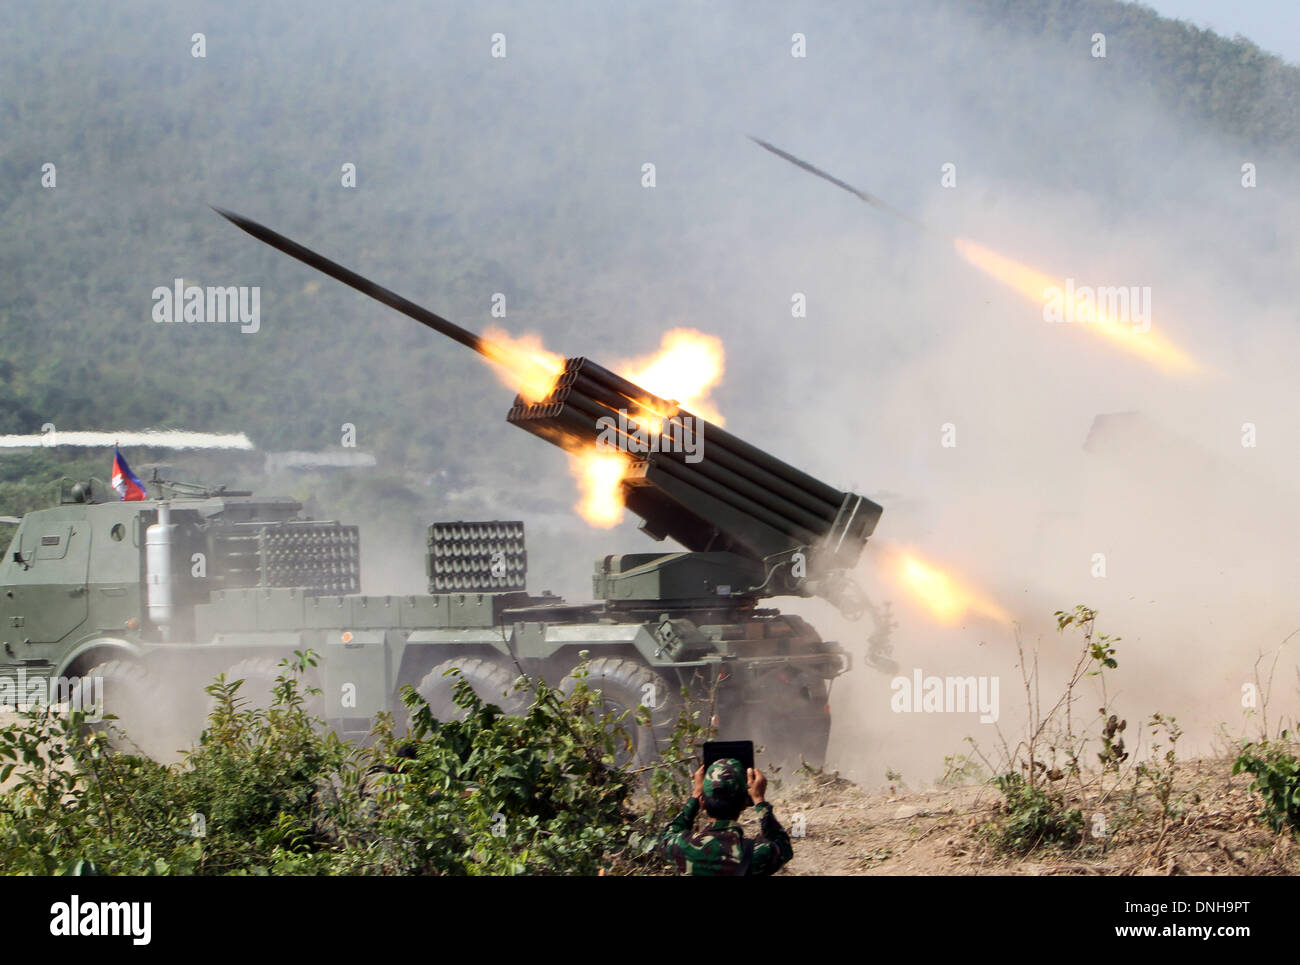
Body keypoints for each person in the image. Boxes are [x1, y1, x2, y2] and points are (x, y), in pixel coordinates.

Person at [660, 758, 793, 875]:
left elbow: (666, 836)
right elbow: (783, 845)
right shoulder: (758, 853)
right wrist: (759, 800)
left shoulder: (680, 847)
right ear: (745, 803)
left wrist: (695, 795)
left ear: (702, 803)